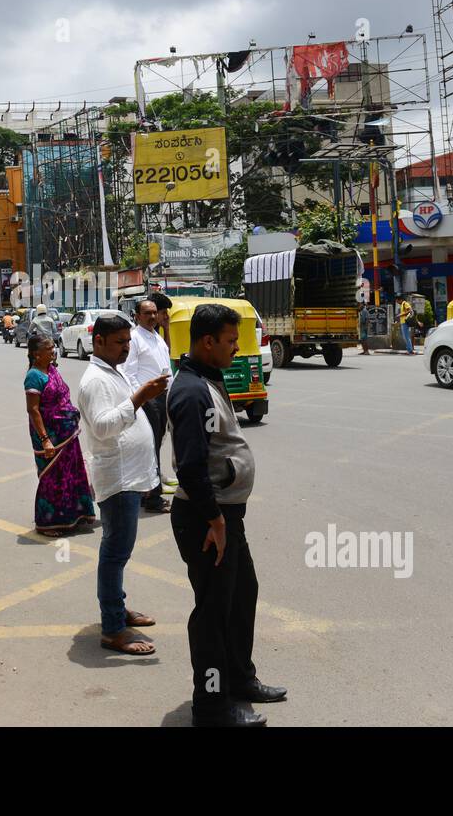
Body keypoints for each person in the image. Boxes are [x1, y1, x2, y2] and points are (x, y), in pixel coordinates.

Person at [168, 303, 285, 727]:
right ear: (207, 342)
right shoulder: (190, 391)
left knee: (241, 597)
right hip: (206, 520)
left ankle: (240, 679)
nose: (237, 348)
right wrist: (215, 520)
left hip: (225, 518)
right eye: (231, 341)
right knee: (213, 615)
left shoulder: (207, 378)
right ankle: (212, 706)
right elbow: (190, 466)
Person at [78, 314, 170, 656]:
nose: (126, 348)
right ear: (98, 341)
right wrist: (140, 397)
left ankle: (118, 609)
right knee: (115, 554)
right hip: (117, 479)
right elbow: (102, 428)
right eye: (119, 342)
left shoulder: (110, 372)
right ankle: (113, 628)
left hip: (128, 476)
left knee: (119, 553)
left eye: (128, 342)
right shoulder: (94, 381)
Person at [23, 334, 96, 537]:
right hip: (51, 437)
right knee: (52, 478)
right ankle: (47, 522)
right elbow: (33, 410)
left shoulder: (52, 370)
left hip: (67, 432)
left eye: (54, 347)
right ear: (36, 355)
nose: (53, 351)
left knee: (71, 473)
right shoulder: (34, 376)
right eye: (49, 349)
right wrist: (46, 440)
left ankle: (75, 516)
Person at [120, 297, 175, 513]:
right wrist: (142, 398)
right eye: (148, 313)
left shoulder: (155, 336)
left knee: (155, 445)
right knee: (150, 447)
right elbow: (128, 372)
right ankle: (152, 497)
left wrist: (167, 329)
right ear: (137, 316)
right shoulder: (135, 338)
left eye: (155, 313)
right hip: (149, 399)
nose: (153, 316)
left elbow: (166, 355)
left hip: (162, 396)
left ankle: (147, 492)